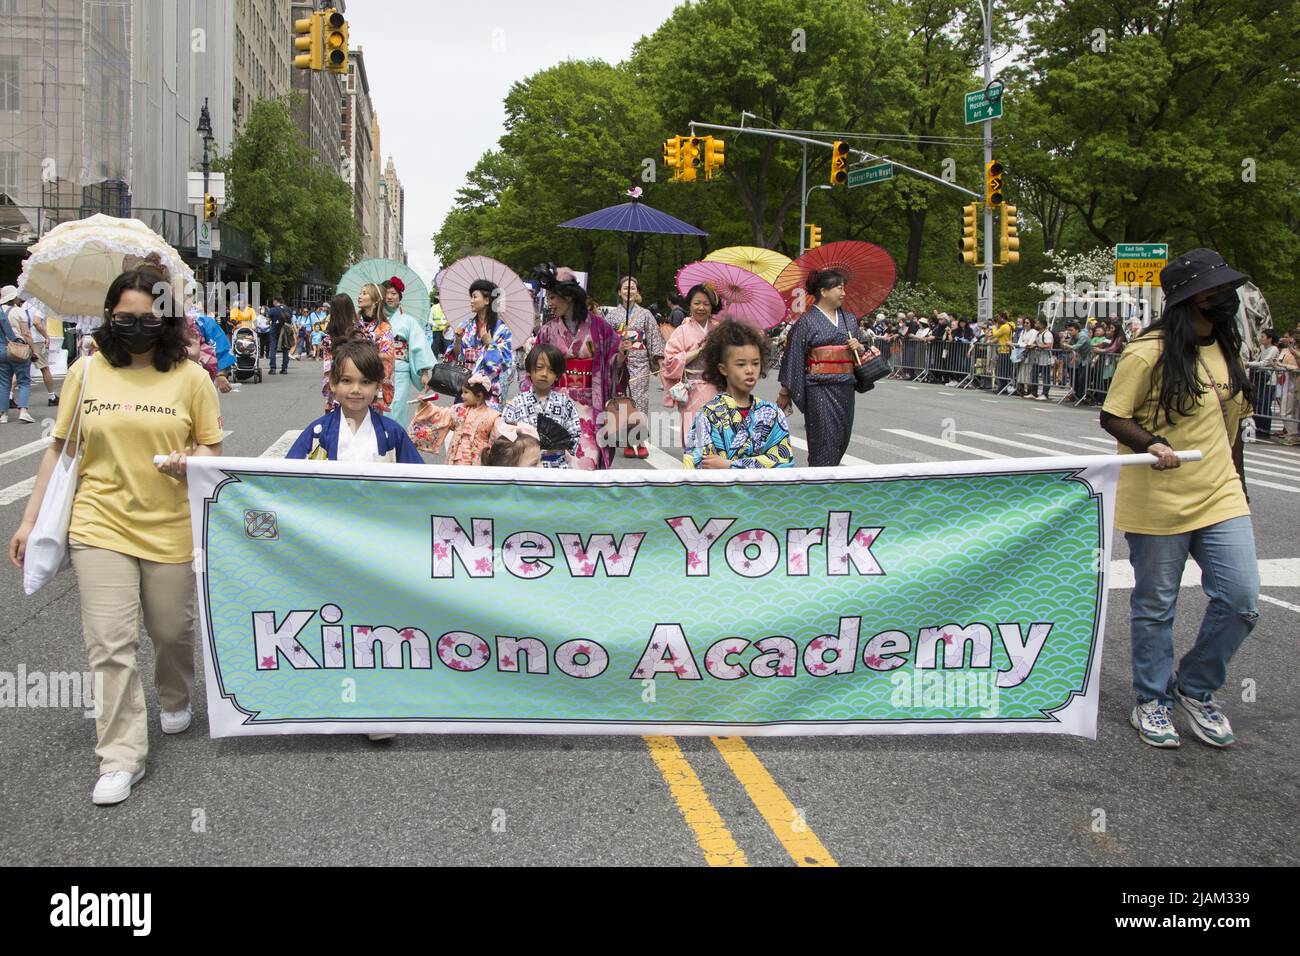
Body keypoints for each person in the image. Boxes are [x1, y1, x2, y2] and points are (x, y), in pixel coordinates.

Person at [8, 264, 224, 805]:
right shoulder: (86, 372)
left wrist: (187, 461)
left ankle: (176, 696)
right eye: (124, 317)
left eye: (148, 317)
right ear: (108, 318)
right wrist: (29, 521)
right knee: (109, 642)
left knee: (171, 631)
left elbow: (211, 449)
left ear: (167, 320)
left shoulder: (192, 379)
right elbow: (61, 449)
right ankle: (121, 755)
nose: (135, 326)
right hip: (98, 524)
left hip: (170, 527)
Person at [1100, 248, 1259, 750]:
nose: (1227, 298)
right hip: (1158, 498)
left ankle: (1195, 687)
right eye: (1217, 291)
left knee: (1241, 602)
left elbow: (1231, 429)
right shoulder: (1148, 351)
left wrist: (1240, 484)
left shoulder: (1226, 349)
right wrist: (1151, 444)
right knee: (1156, 607)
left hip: (1221, 494)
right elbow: (1112, 414)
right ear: (1192, 299)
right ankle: (1151, 698)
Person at [776, 269, 867, 467]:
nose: (843, 292)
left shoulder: (849, 319)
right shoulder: (807, 322)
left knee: (841, 438)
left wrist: (858, 346)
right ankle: (820, 487)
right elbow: (794, 357)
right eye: (839, 288)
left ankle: (828, 481)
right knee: (823, 440)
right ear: (824, 291)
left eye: (844, 288)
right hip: (819, 389)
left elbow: (863, 347)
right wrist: (785, 391)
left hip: (845, 387)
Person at [530, 267, 619, 468]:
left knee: (587, 459)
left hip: (590, 402)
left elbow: (613, 360)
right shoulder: (547, 331)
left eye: (553, 298)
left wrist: (620, 354)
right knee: (554, 458)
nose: (550, 303)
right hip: (555, 401)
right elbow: (534, 366)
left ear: (568, 296)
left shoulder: (600, 327)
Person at [287, 339, 422, 464]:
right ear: (333, 383)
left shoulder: (393, 433)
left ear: (378, 386)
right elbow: (288, 475)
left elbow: (418, 478)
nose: (356, 389)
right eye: (346, 381)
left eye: (365, 382)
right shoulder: (318, 432)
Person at [686, 316, 793, 469]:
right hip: (722, 493)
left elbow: (784, 461)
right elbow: (695, 463)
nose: (750, 370)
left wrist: (732, 465)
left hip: (761, 493)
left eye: (755, 363)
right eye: (741, 364)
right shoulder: (708, 414)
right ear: (723, 368)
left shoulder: (772, 413)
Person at [663, 284, 727, 447]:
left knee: (716, 434)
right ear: (690, 304)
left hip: (716, 388)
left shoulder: (719, 330)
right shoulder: (682, 330)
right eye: (697, 303)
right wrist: (698, 351)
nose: (701, 307)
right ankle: (693, 467)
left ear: (712, 307)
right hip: (692, 389)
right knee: (694, 434)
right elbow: (670, 361)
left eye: (706, 304)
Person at [500, 343, 580, 468]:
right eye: (539, 367)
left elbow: (574, 434)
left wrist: (560, 446)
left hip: (558, 467)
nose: (544, 373)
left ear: (557, 375)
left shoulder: (565, 403)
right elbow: (504, 434)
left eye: (551, 370)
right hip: (525, 466)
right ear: (530, 370)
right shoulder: (516, 403)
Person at [610, 276, 664, 458]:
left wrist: (657, 358)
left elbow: (654, 338)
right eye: (625, 288)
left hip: (639, 363)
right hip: (620, 362)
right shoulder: (612, 315)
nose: (629, 291)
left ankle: (640, 440)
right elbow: (607, 340)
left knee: (640, 403)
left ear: (638, 292)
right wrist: (618, 348)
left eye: (632, 288)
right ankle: (626, 441)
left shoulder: (646, 315)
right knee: (624, 402)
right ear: (619, 292)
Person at [447, 278, 514, 409]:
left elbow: (505, 362)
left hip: (488, 387)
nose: (471, 301)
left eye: (474, 296)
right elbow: (455, 356)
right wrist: (458, 340)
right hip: (465, 384)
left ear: (487, 300)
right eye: (470, 297)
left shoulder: (501, 329)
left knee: (485, 425)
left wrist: (489, 343)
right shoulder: (465, 325)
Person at [409, 375, 501, 465]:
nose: (461, 396)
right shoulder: (459, 410)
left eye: (466, 392)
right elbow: (440, 415)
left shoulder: (493, 416)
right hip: (455, 457)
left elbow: (496, 440)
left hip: (479, 460)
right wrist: (425, 405)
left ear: (479, 395)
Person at [380, 277, 434, 428]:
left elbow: (419, 346)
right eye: (387, 293)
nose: (389, 297)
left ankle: (396, 445)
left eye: (394, 293)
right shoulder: (376, 319)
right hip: (377, 370)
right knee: (376, 408)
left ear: (400, 297)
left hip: (399, 370)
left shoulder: (408, 321)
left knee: (396, 408)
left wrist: (424, 372)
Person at [0, 286, 37, 423]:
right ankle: (23, 410)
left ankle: (3, 414)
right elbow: (26, 333)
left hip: (1, 350)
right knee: (24, 380)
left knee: (4, 382)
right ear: (13, 297)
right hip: (18, 349)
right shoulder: (19, 311)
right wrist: (33, 350)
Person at [1247, 329, 1281, 440]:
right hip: (1261, 380)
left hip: (1269, 381)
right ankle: (1259, 426)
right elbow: (1259, 361)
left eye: (1263, 336)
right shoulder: (1264, 349)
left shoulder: (1273, 349)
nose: (1261, 338)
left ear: (1270, 339)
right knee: (1260, 403)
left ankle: (1265, 428)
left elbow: (1264, 363)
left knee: (1265, 404)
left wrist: (1248, 364)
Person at [1027, 316, 1054, 401]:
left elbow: (1049, 345)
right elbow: (1035, 342)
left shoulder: (1047, 334)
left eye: (1037, 323)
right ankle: (1034, 392)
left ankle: (1045, 394)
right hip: (1038, 359)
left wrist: (1037, 345)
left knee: (1046, 377)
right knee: (1033, 374)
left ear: (1042, 325)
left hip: (1046, 359)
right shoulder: (1038, 334)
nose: (1035, 324)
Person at [266, 297, 292, 375]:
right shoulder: (288, 309)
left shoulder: (273, 310)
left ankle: (273, 368)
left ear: (276, 301)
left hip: (275, 331)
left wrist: (269, 322)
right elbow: (291, 319)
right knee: (285, 348)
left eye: (274, 301)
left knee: (273, 348)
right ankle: (284, 369)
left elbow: (268, 321)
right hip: (285, 331)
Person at [427, 293, 448, 359]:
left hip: (447, 331)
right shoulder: (434, 307)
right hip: (437, 330)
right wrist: (435, 325)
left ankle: (447, 361)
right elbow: (429, 319)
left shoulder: (448, 307)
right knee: (435, 346)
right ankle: (433, 360)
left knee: (447, 346)